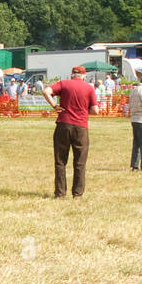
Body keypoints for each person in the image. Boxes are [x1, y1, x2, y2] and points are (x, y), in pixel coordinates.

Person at [40, 65, 99, 197]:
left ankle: (60, 193)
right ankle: (77, 193)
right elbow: (95, 110)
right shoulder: (88, 88)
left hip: (63, 124)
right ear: (84, 76)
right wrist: (83, 111)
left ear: (72, 74)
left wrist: (55, 105)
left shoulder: (64, 83)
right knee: (80, 162)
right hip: (81, 127)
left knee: (60, 161)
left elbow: (46, 91)